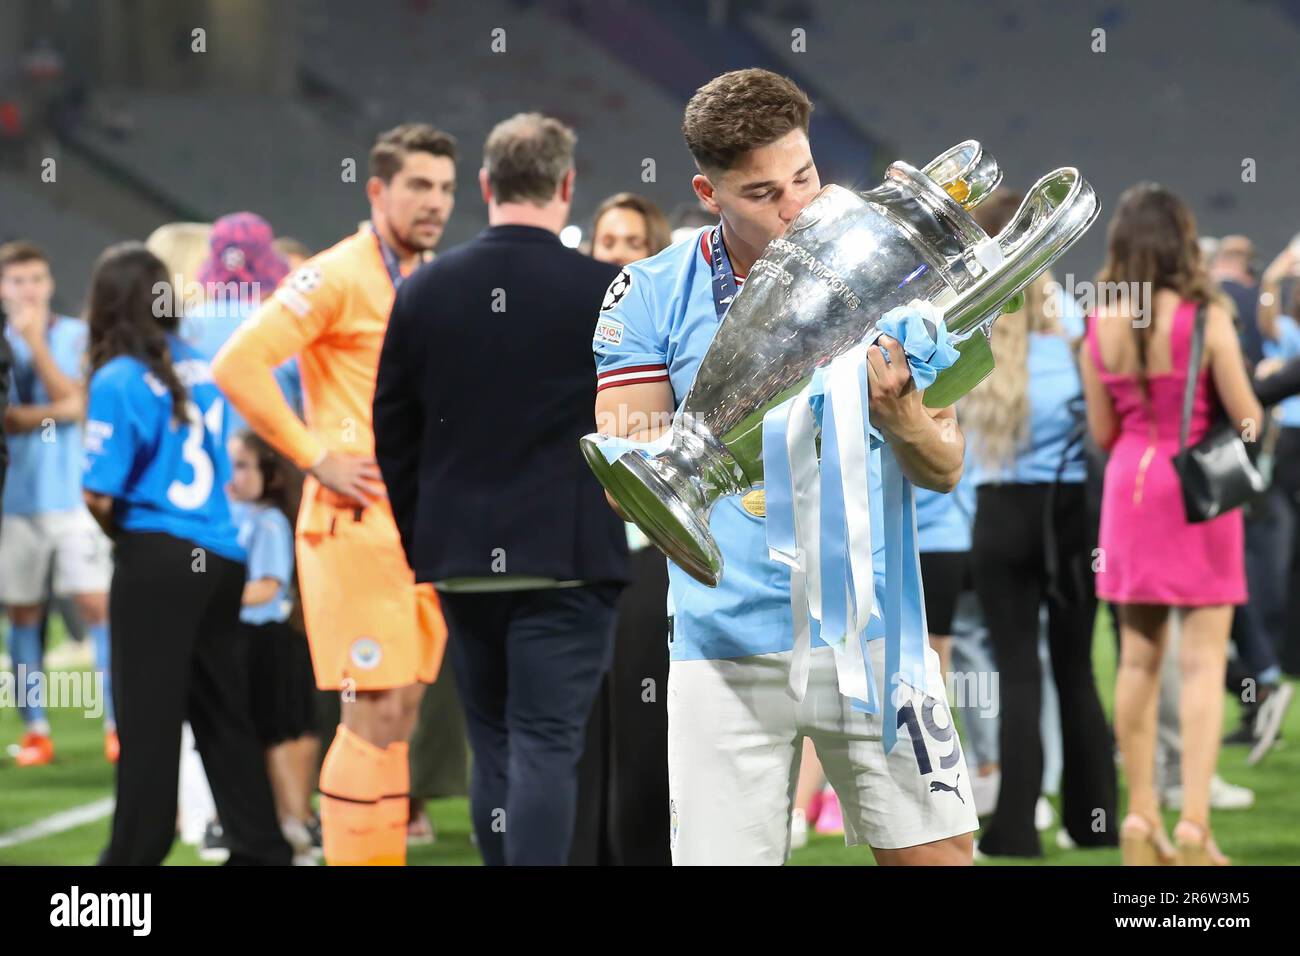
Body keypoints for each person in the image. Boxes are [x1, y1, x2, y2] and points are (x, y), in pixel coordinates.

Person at [593, 68, 976, 865]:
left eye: (804, 175)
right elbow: (627, 471)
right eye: (763, 193)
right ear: (709, 192)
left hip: (876, 636)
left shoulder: (890, 275)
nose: (796, 205)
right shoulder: (649, 291)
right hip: (721, 646)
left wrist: (902, 416)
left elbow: (944, 468)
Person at [374, 112, 630, 866]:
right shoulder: (608, 289)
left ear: (485, 185)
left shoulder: (425, 290)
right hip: (570, 552)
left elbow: (392, 429)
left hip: (460, 555)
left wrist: (427, 534)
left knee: (493, 744)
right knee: (547, 746)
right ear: (567, 184)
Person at [213, 123, 455, 867]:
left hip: (416, 528)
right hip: (354, 527)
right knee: (371, 714)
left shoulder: (424, 275)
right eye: (418, 185)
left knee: (404, 709)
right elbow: (239, 364)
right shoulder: (340, 273)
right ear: (377, 189)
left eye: (446, 188)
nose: (435, 203)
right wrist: (316, 456)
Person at [82, 242, 289, 865]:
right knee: (224, 718)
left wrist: (134, 544)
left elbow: (98, 493)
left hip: (159, 559)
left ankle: (128, 872)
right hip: (221, 558)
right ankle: (263, 851)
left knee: (146, 721)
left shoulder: (118, 377)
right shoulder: (201, 361)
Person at [1078, 183, 1263, 866]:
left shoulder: (1100, 318)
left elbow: (1101, 429)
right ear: (1183, 240)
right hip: (1195, 494)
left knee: (1136, 661)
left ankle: (1138, 817)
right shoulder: (1205, 312)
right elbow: (1248, 416)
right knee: (1203, 662)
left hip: (1129, 489)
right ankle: (1190, 825)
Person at [960, 193, 1118, 858]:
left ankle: (1017, 829)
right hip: (1071, 513)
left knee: (1017, 673)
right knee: (1077, 670)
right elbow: (1100, 431)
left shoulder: (968, 335)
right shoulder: (1076, 329)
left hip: (998, 515)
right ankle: (1093, 820)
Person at [571, 190, 673, 865]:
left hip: (648, 546)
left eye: (631, 243)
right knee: (578, 717)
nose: (615, 255)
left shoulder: (670, 325)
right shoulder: (571, 336)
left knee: (645, 712)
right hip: (578, 544)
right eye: (606, 242)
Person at [0, 241, 114, 766]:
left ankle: (116, 723)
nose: (29, 290)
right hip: (13, 500)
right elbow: (26, 415)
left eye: (37, 279)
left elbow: (83, 403)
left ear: (49, 284)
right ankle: (38, 730)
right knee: (23, 614)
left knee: (98, 607)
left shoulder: (74, 336)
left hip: (73, 497)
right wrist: (59, 408)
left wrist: (36, 349)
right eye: (18, 280)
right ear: (3, 288)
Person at [226, 428, 319, 864]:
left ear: (271, 474)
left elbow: (267, 586)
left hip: (270, 641)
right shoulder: (238, 516)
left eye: (243, 465)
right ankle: (287, 824)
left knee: (282, 733)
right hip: (253, 640)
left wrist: (212, 597)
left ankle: (293, 823)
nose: (232, 475)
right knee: (274, 733)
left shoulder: (268, 521)